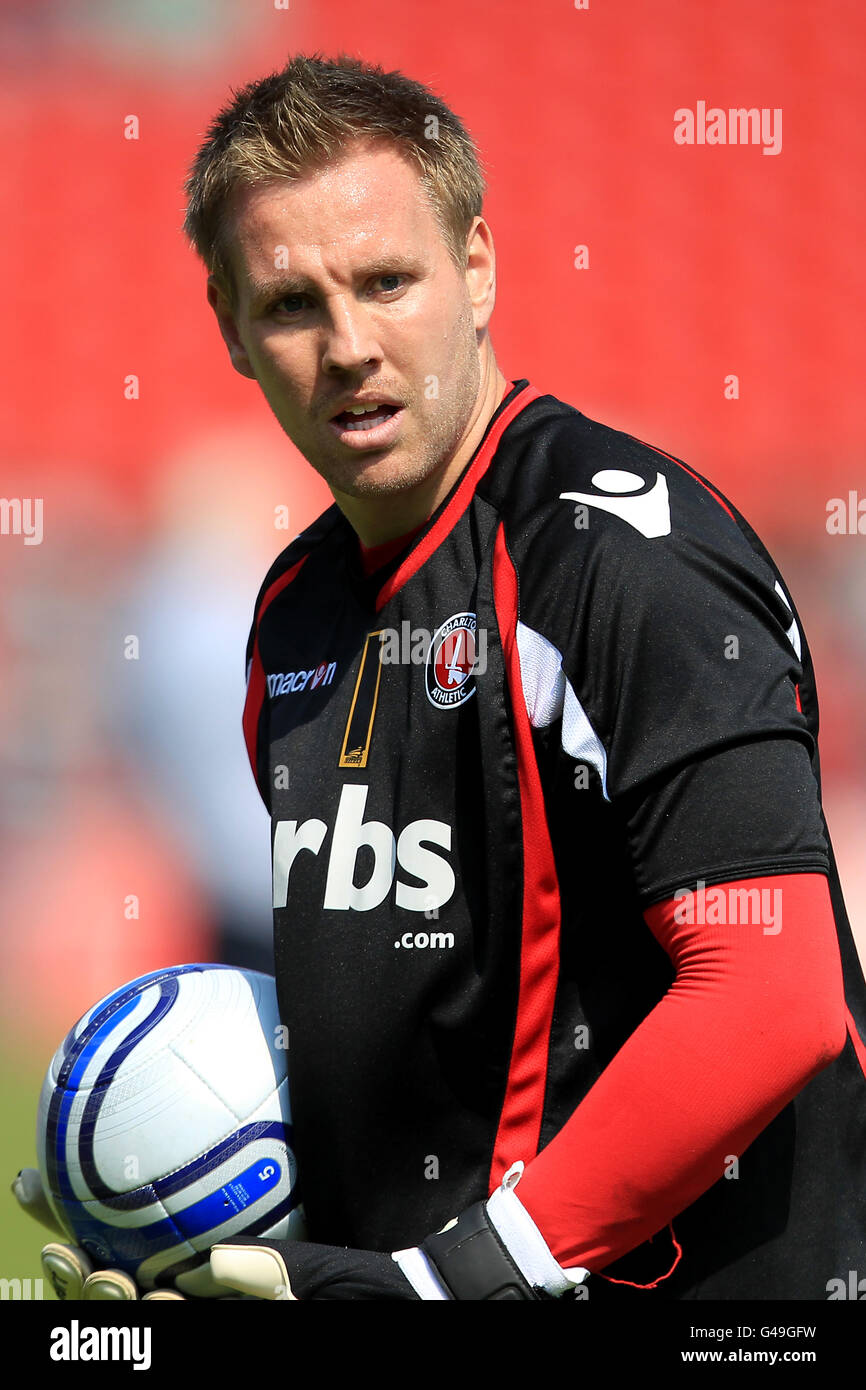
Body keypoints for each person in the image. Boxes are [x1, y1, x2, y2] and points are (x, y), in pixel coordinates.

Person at [17, 52, 866, 1302]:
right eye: (291, 303)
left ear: (476, 269)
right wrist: (162, 1190)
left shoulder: (626, 562)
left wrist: (456, 1277)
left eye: (386, 281)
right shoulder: (293, 616)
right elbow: (411, 1021)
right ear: (229, 330)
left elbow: (770, 995)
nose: (349, 345)